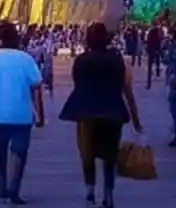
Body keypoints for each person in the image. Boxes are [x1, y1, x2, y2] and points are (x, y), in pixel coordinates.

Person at [58, 22, 143, 208]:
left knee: (87, 155)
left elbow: (78, 85)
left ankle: (89, 193)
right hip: (112, 111)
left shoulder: (81, 60)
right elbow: (126, 88)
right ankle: (108, 194)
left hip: (87, 112)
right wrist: (135, 117)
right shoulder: (118, 60)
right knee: (110, 156)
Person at [0, 22, 46, 206]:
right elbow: (37, 88)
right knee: (19, 154)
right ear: (17, 39)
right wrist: (40, 115)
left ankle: (2, 188)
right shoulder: (26, 59)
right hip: (22, 116)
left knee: (1, 155)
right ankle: (14, 191)